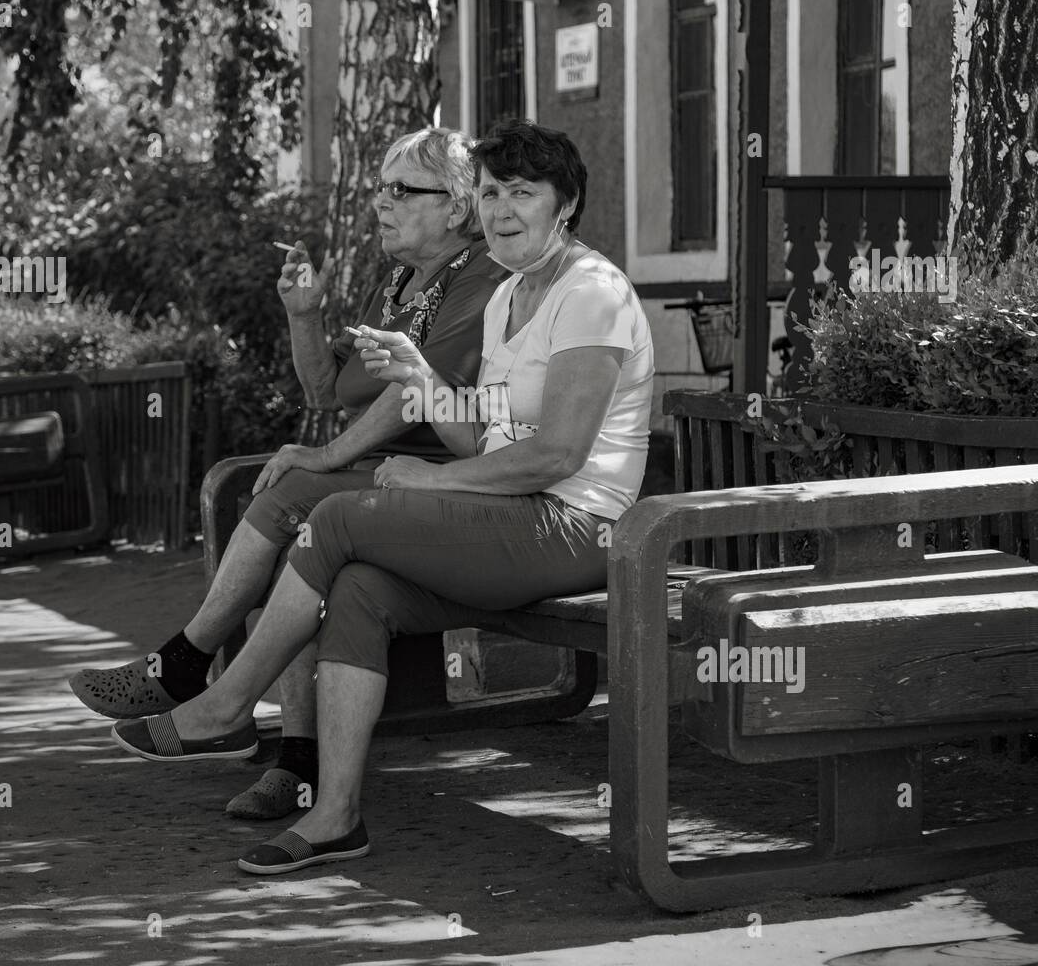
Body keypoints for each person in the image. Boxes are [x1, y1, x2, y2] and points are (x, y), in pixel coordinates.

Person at [110, 120, 656, 875]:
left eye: (522, 193)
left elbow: (556, 453)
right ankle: (334, 814)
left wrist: (433, 479)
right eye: (492, 191)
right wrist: (424, 382)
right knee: (362, 591)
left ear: (565, 205)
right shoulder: (509, 297)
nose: (501, 209)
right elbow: (483, 432)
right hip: (512, 518)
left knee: (333, 515)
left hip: (581, 528)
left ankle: (227, 703)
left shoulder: (589, 292)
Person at [68, 126, 502, 819]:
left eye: (401, 191)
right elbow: (327, 390)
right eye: (378, 190)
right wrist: (305, 314)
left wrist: (326, 456)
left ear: (456, 207)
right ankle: (293, 760)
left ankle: (189, 670)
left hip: (446, 485)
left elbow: (415, 391)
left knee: (297, 493)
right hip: (380, 481)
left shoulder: (481, 277)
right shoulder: (393, 287)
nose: (381, 205)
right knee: (295, 544)